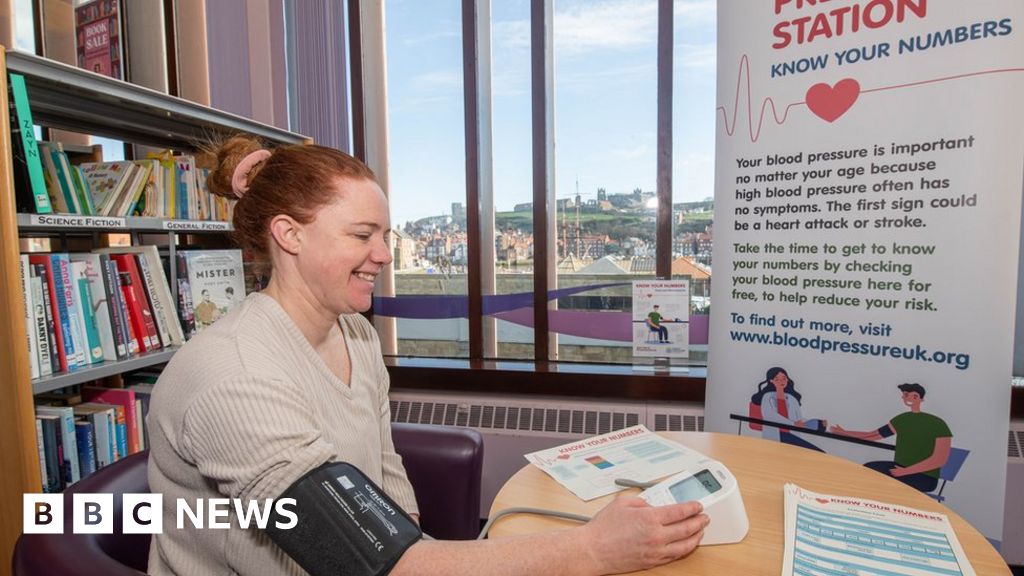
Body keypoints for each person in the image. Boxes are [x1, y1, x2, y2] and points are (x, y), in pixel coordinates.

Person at [146, 135, 709, 576]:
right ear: (289, 235)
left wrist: (409, 543)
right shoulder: (232, 376)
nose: (384, 255)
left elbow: (383, 469)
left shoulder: (356, 334)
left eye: (385, 235)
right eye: (362, 235)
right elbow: (365, 562)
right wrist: (590, 550)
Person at [830, 383, 952, 493]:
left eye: (907, 395)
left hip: (925, 477)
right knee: (869, 469)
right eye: (904, 395)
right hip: (899, 467)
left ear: (918, 397)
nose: (904, 397)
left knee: (874, 476)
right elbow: (873, 435)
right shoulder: (903, 419)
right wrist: (844, 433)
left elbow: (939, 460)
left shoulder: (938, 424)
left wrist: (905, 471)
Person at [750, 367, 824, 452]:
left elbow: (799, 419)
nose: (781, 381)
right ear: (771, 381)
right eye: (777, 379)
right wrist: (793, 424)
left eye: (784, 378)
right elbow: (770, 416)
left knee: (818, 453)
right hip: (776, 435)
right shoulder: (767, 397)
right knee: (816, 453)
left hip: (791, 435)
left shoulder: (792, 399)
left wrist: (817, 423)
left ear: (787, 380)